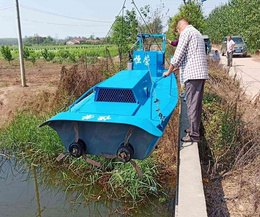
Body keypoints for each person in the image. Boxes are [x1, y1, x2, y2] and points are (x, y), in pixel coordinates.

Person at [163, 19, 209, 142]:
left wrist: (169, 71)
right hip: (200, 74)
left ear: (179, 28)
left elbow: (179, 53)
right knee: (197, 105)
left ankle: (194, 135)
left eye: (178, 32)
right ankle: (193, 128)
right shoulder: (196, 33)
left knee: (191, 105)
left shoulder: (185, 33)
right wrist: (177, 68)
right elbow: (190, 55)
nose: (178, 34)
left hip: (193, 75)